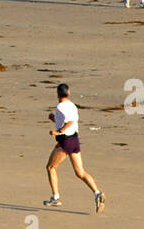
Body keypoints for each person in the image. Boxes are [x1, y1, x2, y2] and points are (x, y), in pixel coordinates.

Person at [43, 83, 105, 213]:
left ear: (57, 94)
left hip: (65, 142)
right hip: (75, 140)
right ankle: (97, 193)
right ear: (69, 93)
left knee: (50, 167)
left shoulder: (60, 106)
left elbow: (69, 121)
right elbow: (68, 120)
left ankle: (55, 197)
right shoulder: (72, 105)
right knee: (80, 173)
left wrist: (58, 131)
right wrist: (53, 118)